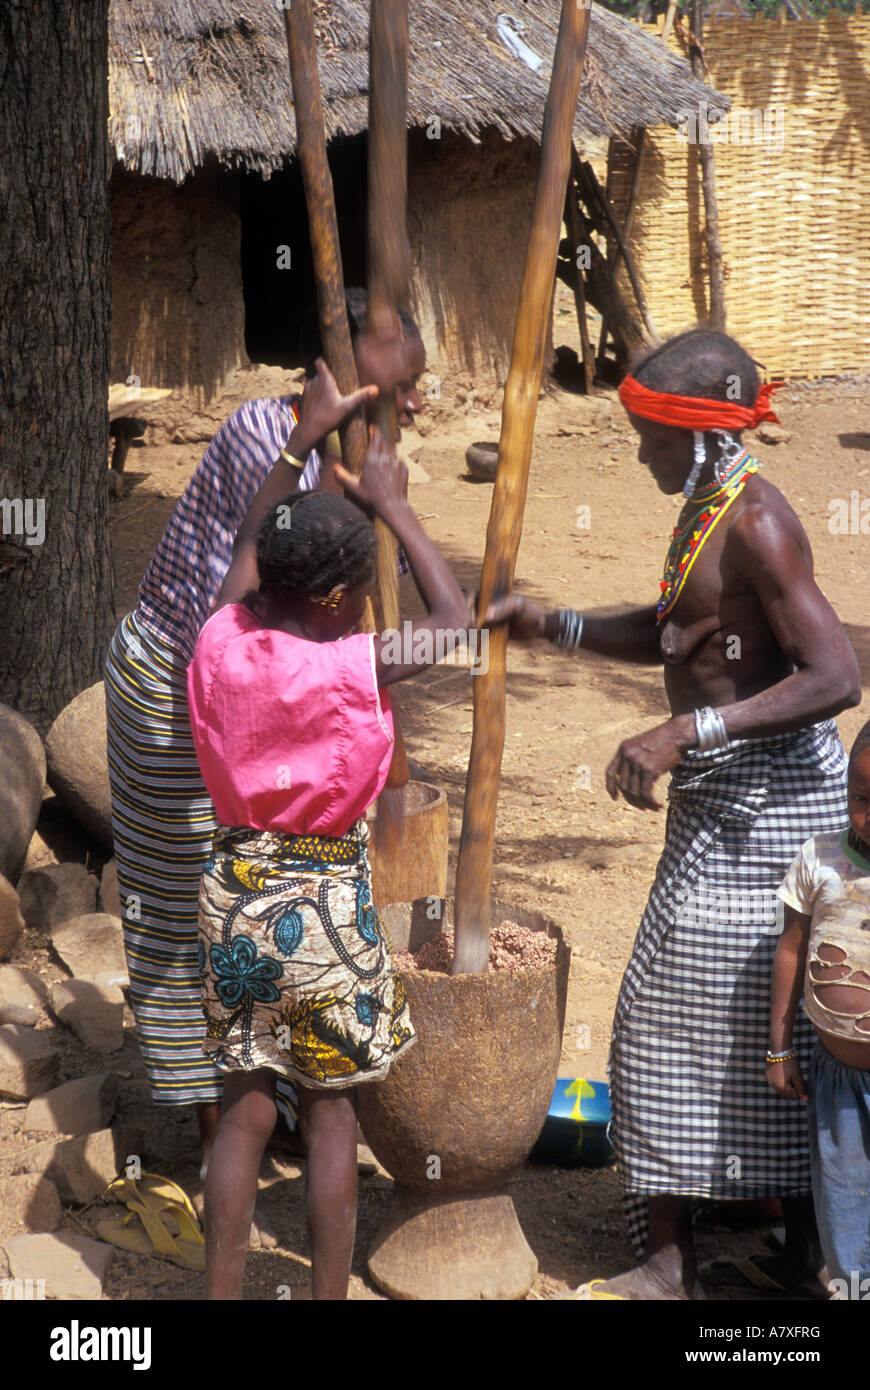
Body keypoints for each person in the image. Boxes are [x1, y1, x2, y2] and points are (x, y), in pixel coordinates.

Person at [486, 328, 861, 1299]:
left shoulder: (759, 523)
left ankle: (709, 1253)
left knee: (712, 1013)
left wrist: (687, 731)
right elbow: (678, 633)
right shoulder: (707, 504)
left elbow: (836, 675)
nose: (640, 452)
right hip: (720, 805)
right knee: (729, 1017)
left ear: (698, 433)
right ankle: (748, 1233)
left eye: (653, 435)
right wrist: (554, 624)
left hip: (776, 807)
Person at [104, 295, 425, 1198]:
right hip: (174, 687)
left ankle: (255, 1098)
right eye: (395, 346)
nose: (414, 371)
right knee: (182, 912)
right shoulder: (267, 437)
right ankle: (218, 1124)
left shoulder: (336, 468)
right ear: (343, 355)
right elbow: (270, 613)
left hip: (232, 703)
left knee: (247, 903)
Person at [188, 430, 468, 1299]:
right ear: (341, 598)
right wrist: (396, 506)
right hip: (326, 909)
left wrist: (295, 448)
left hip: (231, 897)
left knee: (241, 1111)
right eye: (358, 598)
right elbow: (457, 623)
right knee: (330, 1113)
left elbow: (243, 547)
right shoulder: (347, 665)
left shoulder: (220, 638)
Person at [768, 721, 870, 1299]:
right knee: (844, 1199)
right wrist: (779, 1048)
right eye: (860, 799)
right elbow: (789, 950)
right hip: (837, 1084)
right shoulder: (822, 859)